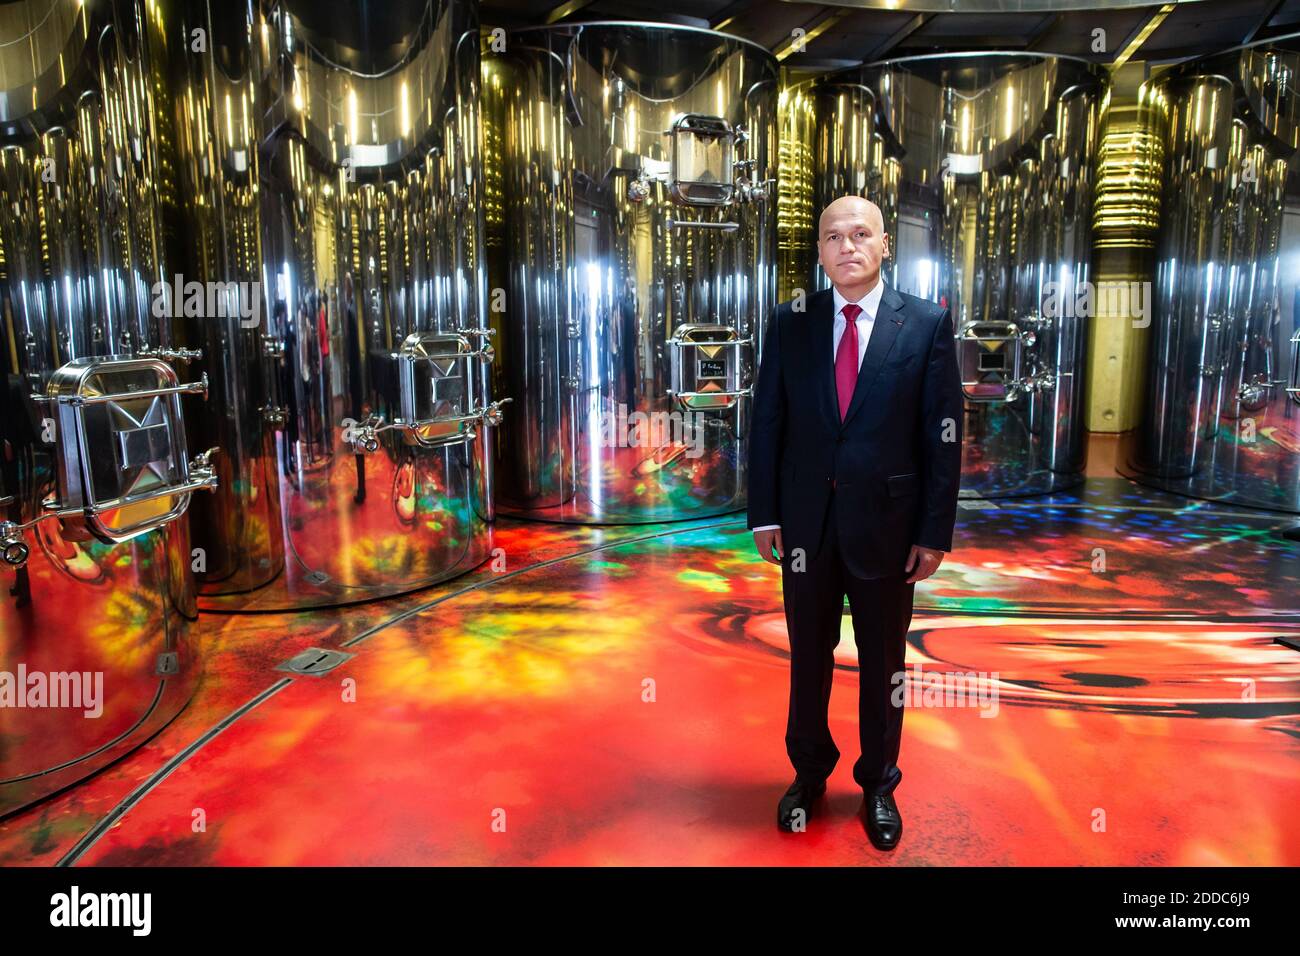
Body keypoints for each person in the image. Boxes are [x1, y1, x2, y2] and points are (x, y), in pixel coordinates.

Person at [747, 195, 963, 850]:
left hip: (889, 530)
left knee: (883, 662)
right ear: (819, 251)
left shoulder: (924, 324)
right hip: (806, 528)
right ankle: (809, 774)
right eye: (833, 237)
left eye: (860, 233)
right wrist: (764, 515)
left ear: (884, 243)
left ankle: (878, 783)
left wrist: (933, 530)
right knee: (806, 657)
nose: (847, 246)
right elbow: (769, 424)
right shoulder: (792, 322)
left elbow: (942, 436)